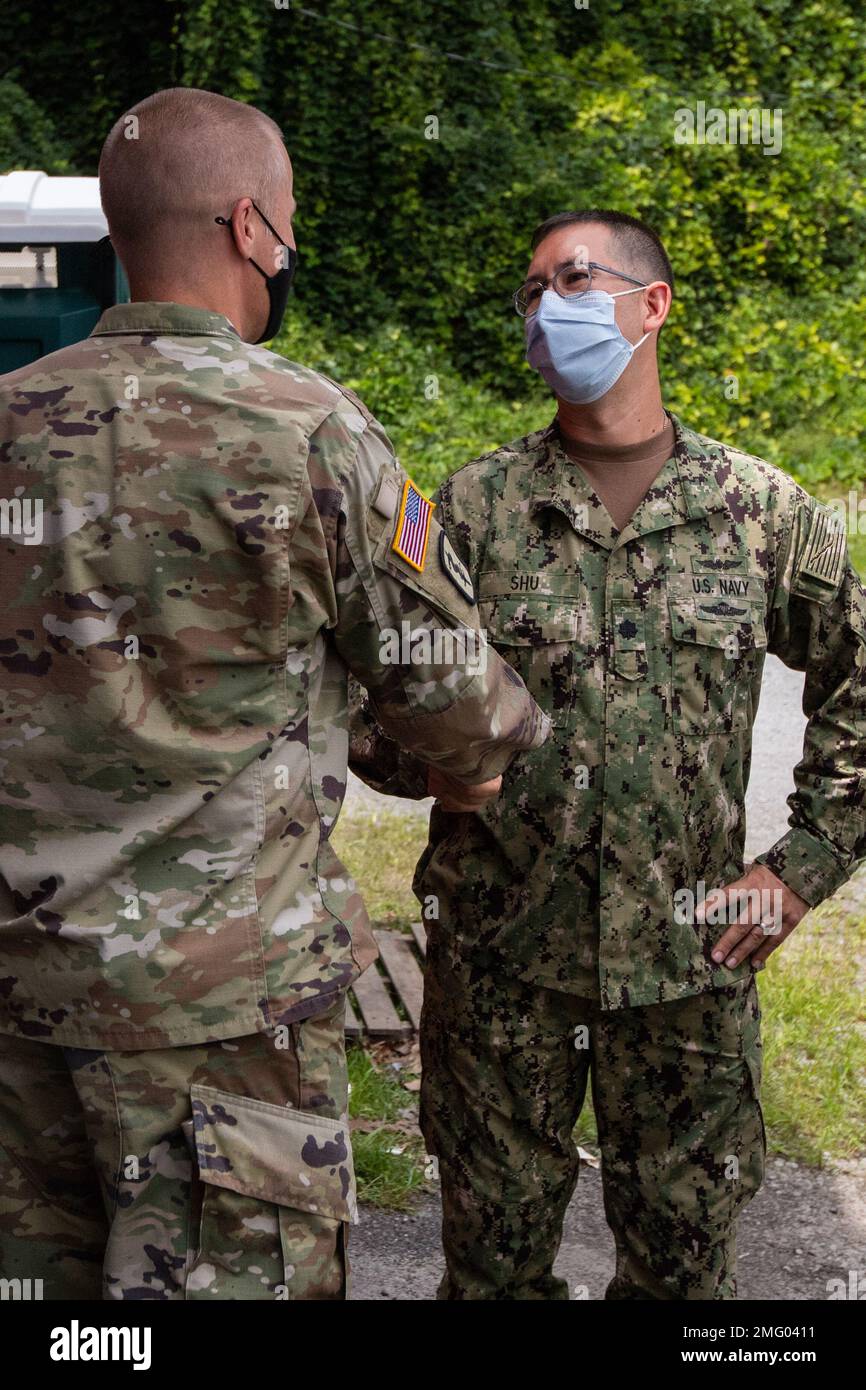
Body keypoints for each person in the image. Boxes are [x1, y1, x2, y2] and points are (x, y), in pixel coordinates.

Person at [0, 87, 548, 1301]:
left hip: (21, 1002)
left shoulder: (7, 423)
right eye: (286, 222)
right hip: (224, 1021)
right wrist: (471, 770)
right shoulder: (306, 432)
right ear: (252, 228)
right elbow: (458, 704)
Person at [349, 209, 866, 1300]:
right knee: (489, 1271)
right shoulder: (475, 510)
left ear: (651, 304)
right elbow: (375, 700)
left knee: (684, 1279)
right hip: (496, 962)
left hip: (687, 967)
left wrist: (800, 866)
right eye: (531, 293)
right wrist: (425, 761)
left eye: (572, 280)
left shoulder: (760, 512)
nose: (546, 307)